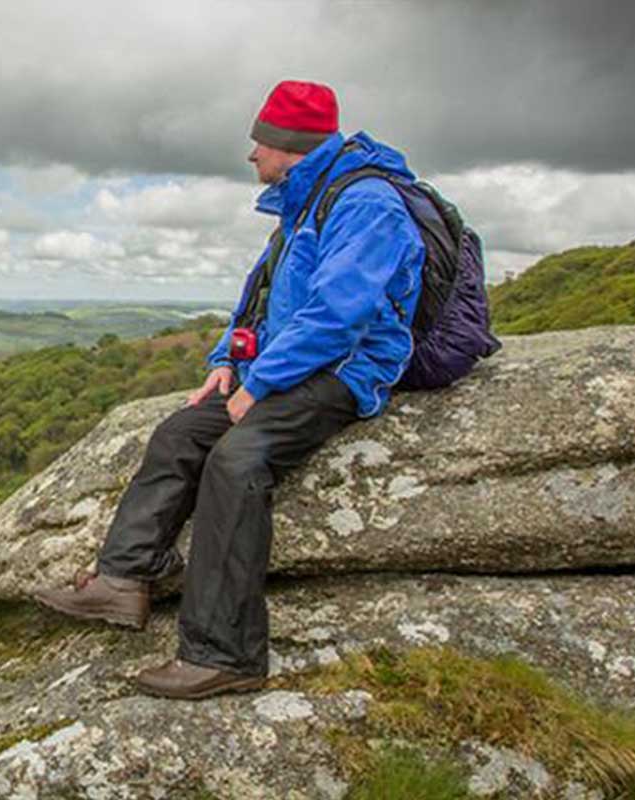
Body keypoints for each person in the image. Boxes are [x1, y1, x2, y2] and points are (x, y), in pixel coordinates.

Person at [33, 79, 426, 700]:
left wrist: (260, 384)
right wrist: (227, 360)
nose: (252, 156)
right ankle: (125, 579)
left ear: (287, 146)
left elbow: (338, 318)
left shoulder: (365, 204)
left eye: (259, 144)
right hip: (289, 365)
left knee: (236, 461)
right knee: (180, 432)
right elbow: (262, 296)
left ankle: (226, 654)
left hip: (346, 370)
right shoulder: (303, 202)